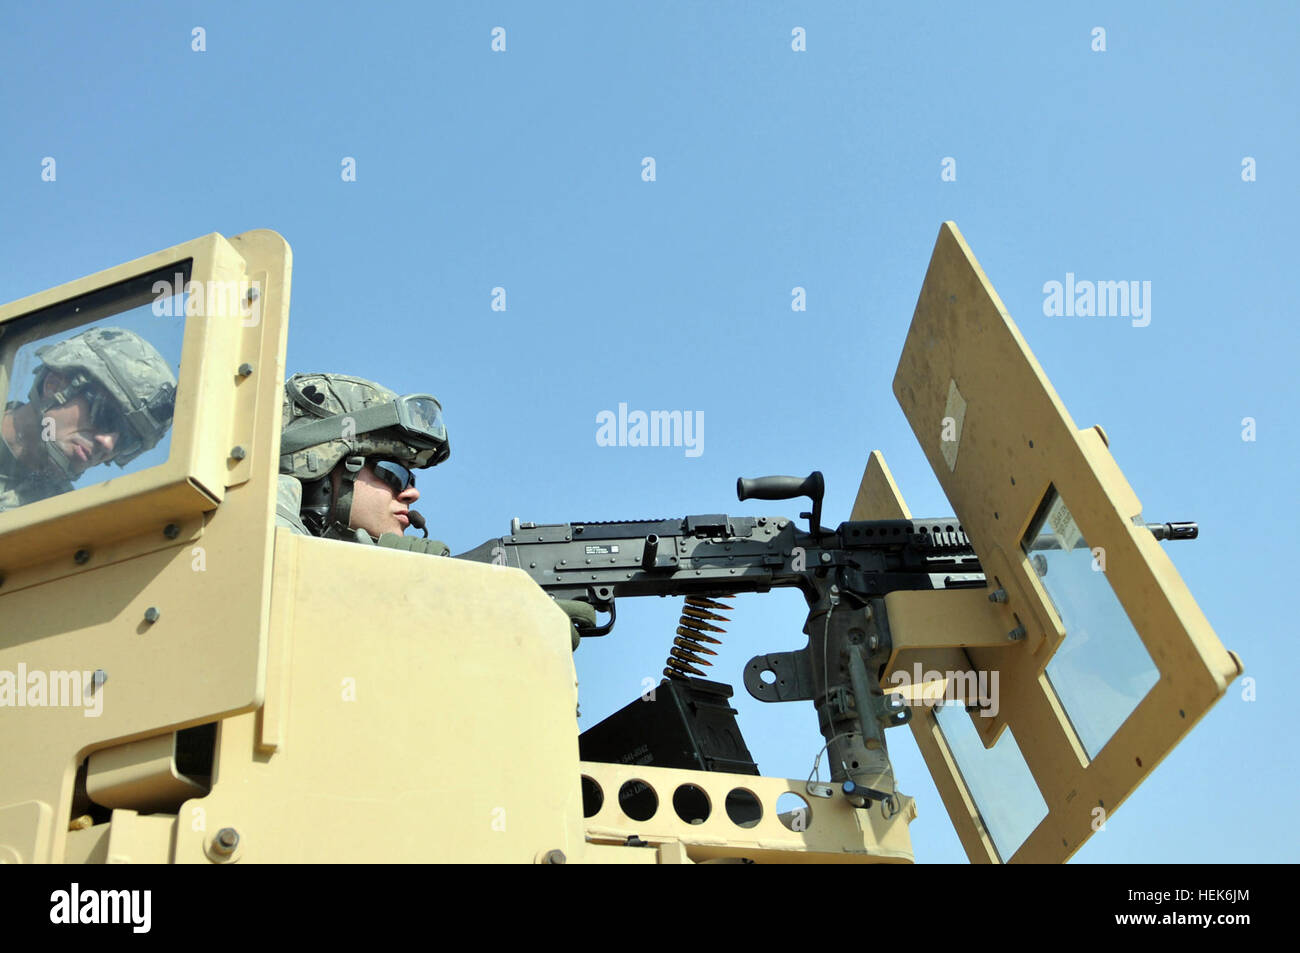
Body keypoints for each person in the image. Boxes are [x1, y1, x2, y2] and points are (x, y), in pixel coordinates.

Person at [276, 372, 595, 644]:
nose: (411, 493)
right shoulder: (265, 550)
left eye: (410, 477)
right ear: (321, 465)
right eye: (394, 473)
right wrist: (483, 610)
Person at [0, 326, 177, 512]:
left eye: (127, 441)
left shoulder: (62, 523)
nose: (108, 444)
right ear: (54, 385)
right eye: (108, 417)